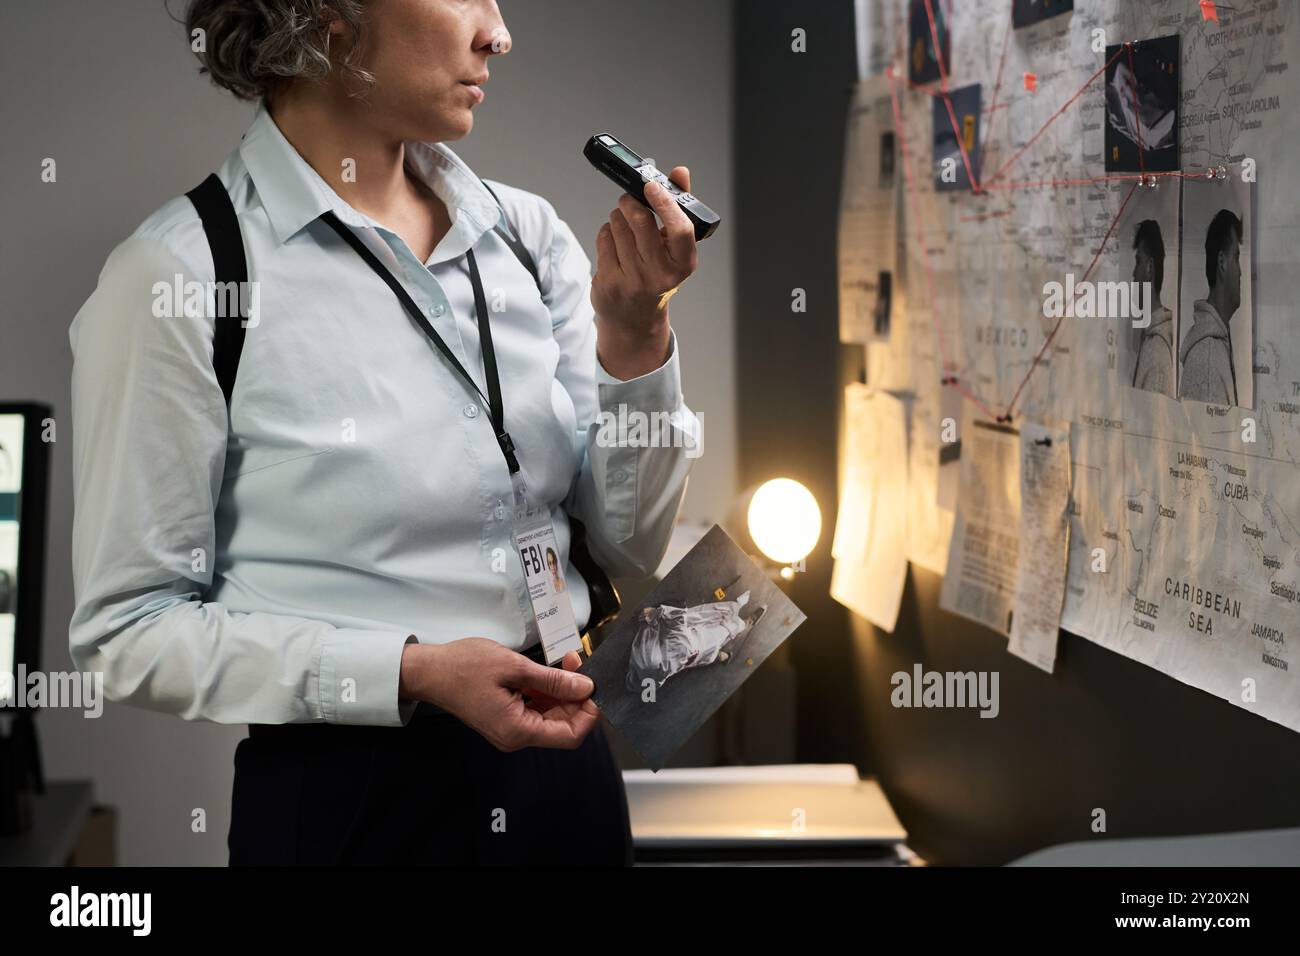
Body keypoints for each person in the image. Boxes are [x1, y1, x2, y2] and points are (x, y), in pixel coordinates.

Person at [67, 0, 701, 865]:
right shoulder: (182, 276)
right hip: (353, 805)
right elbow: (128, 631)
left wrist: (634, 336)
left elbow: (625, 549)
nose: (499, 33)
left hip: (567, 769)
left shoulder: (527, 238)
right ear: (327, 16)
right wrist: (408, 672)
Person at [626, 591, 766, 692]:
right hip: (702, 647)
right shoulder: (676, 635)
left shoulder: (655, 664)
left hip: (698, 654)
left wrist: (654, 613)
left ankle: (726, 655)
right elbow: (677, 616)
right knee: (727, 633)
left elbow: (644, 684)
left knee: (716, 651)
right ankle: (747, 624)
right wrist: (656, 612)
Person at [1179, 209, 1242, 406]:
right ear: (1222, 262)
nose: (1241, 272)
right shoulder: (1208, 361)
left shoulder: (1215, 347)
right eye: (1237, 258)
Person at [1130, 219, 1175, 397]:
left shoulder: (1156, 352)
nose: (1134, 272)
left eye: (1138, 262)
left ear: (1149, 267)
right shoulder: (1150, 339)